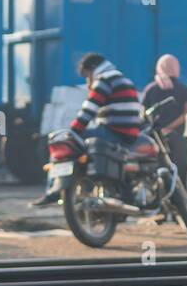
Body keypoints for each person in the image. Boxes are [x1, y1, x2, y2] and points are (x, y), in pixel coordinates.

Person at [31, 51, 142, 208]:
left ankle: (53, 190)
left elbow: (89, 110)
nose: (87, 80)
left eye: (86, 75)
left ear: (92, 69)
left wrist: (73, 131)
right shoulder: (123, 79)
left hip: (112, 132)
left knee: (63, 143)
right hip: (130, 134)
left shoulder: (104, 79)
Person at [141, 53, 187, 189]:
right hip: (179, 139)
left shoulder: (150, 89)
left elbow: (143, 115)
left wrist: (159, 129)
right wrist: (171, 127)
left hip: (155, 140)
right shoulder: (183, 88)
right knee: (180, 172)